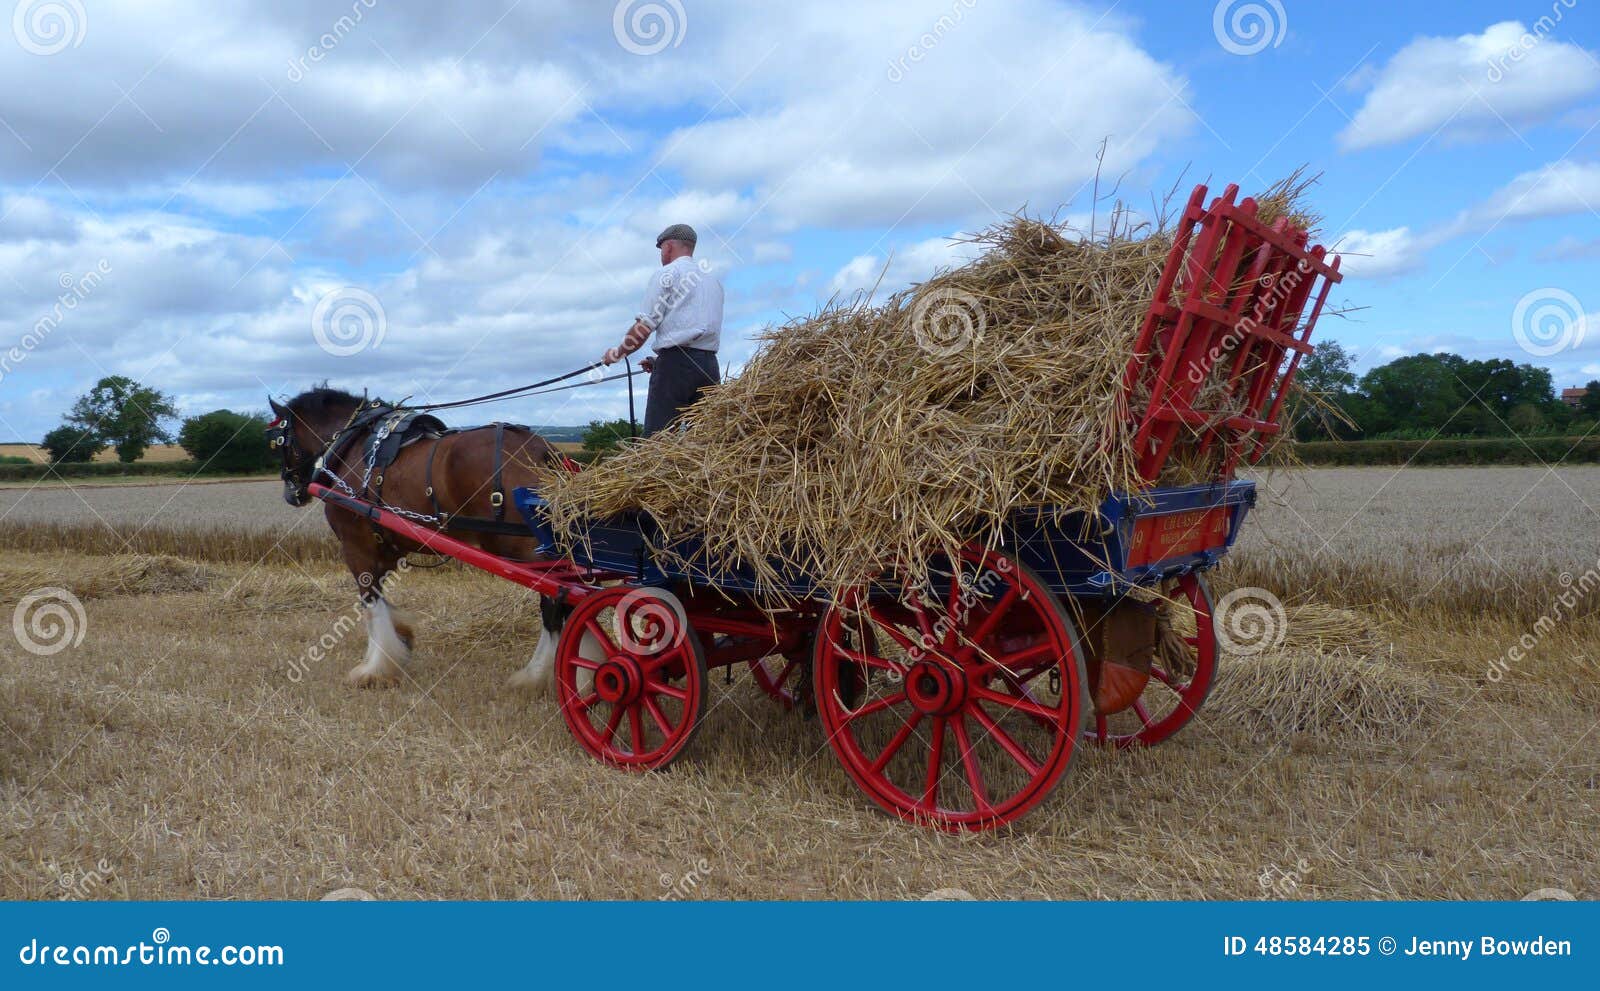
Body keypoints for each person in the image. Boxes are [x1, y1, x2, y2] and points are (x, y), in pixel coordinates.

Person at [601, 223, 723, 435]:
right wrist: (659, 362)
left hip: (675, 368)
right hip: (710, 368)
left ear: (668, 247)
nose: (661, 255)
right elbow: (694, 333)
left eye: (661, 250)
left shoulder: (667, 274)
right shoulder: (713, 282)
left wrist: (617, 354)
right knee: (706, 442)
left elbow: (644, 326)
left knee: (658, 442)